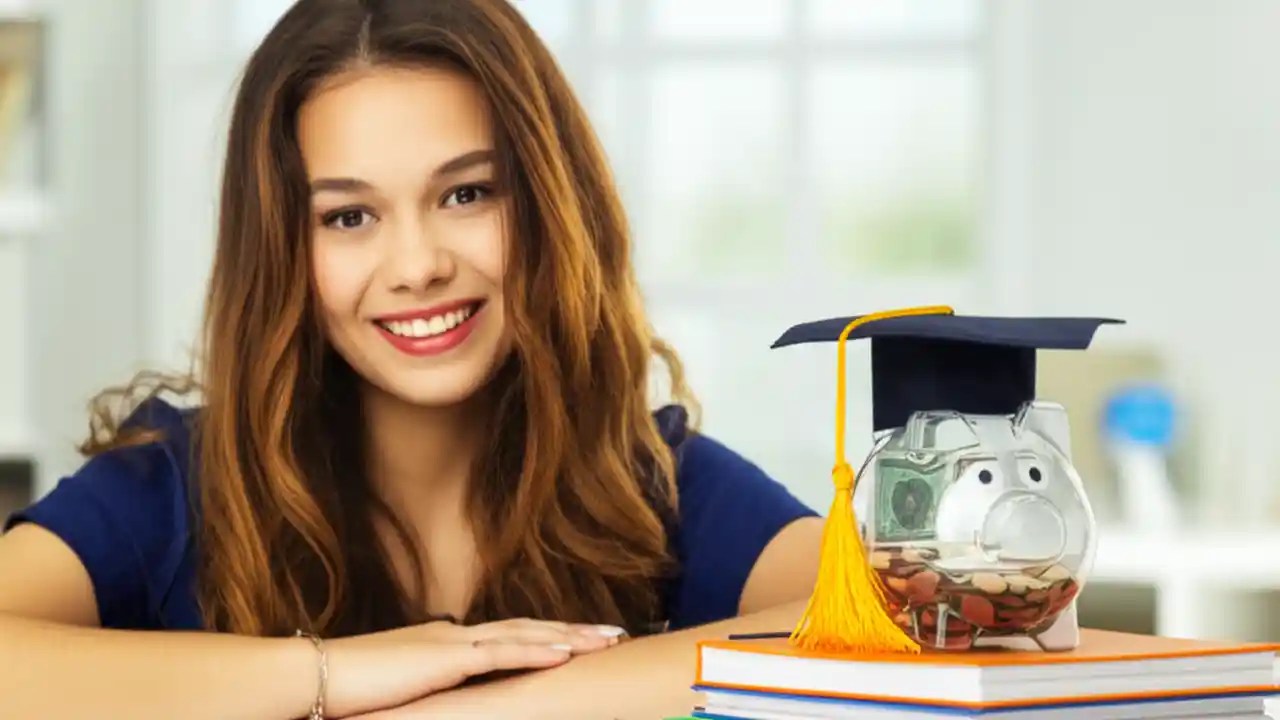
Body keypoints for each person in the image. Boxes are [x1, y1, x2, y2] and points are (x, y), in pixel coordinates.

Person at [0, 1, 822, 717]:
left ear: (547, 204)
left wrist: (485, 705)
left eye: (467, 193)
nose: (418, 265)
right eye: (349, 216)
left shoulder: (652, 484)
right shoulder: (170, 495)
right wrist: (336, 675)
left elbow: (916, 638)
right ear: (281, 251)